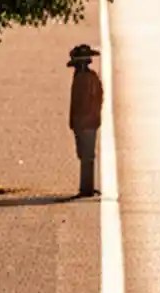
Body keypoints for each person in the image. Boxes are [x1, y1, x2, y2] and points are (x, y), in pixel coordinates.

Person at [68, 44, 104, 198]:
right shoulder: (89, 77)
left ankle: (86, 188)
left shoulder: (87, 78)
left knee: (87, 155)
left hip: (86, 121)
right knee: (85, 155)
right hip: (85, 121)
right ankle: (86, 186)